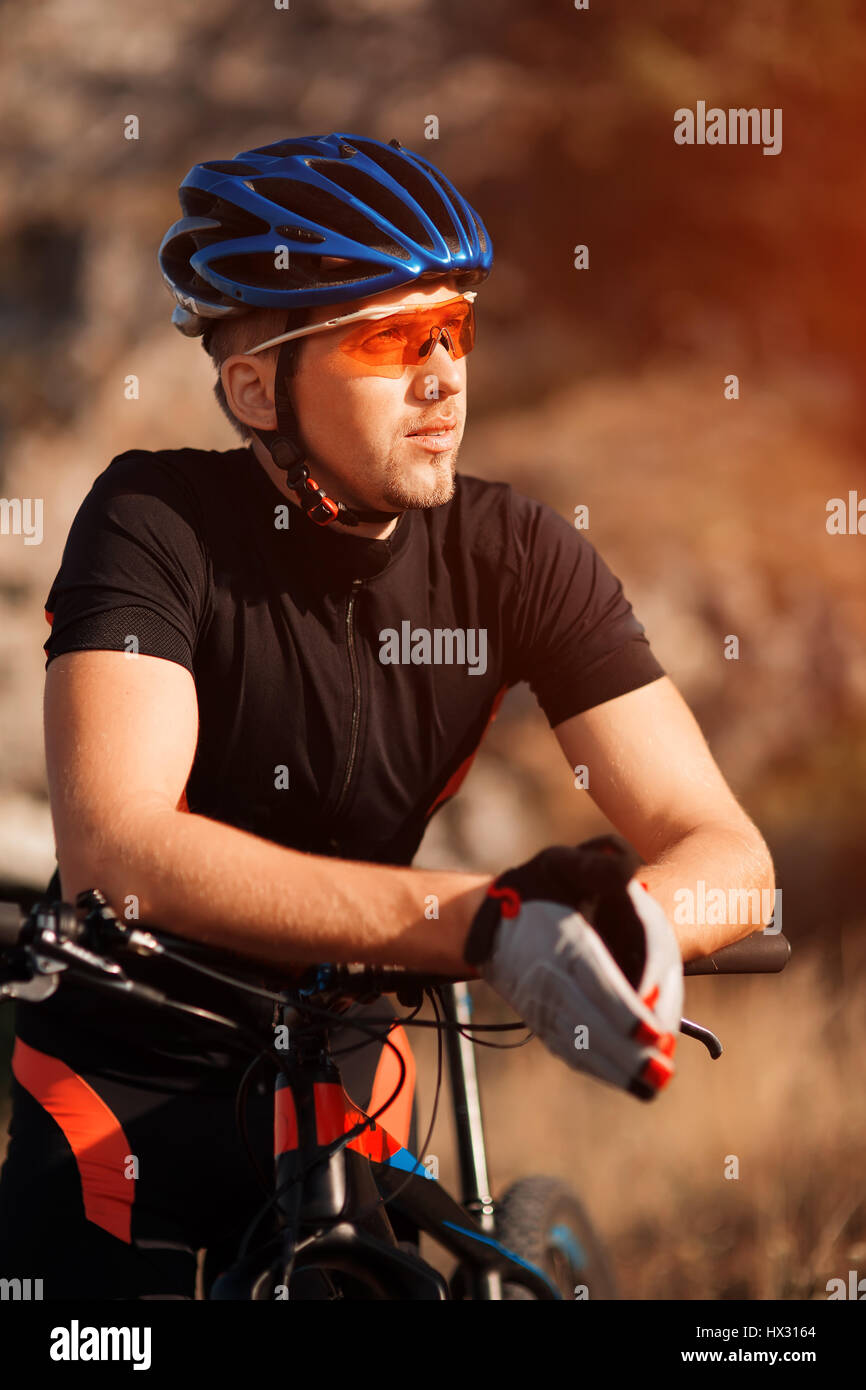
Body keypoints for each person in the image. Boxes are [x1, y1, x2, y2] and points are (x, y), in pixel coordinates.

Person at [0, 132, 774, 1299]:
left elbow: (728, 856)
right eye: (388, 339)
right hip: (124, 1071)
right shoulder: (154, 521)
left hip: (345, 1068)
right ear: (257, 385)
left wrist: (623, 929)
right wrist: (486, 924)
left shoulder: (513, 552)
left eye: (453, 330)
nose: (443, 377)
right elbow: (121, 848)